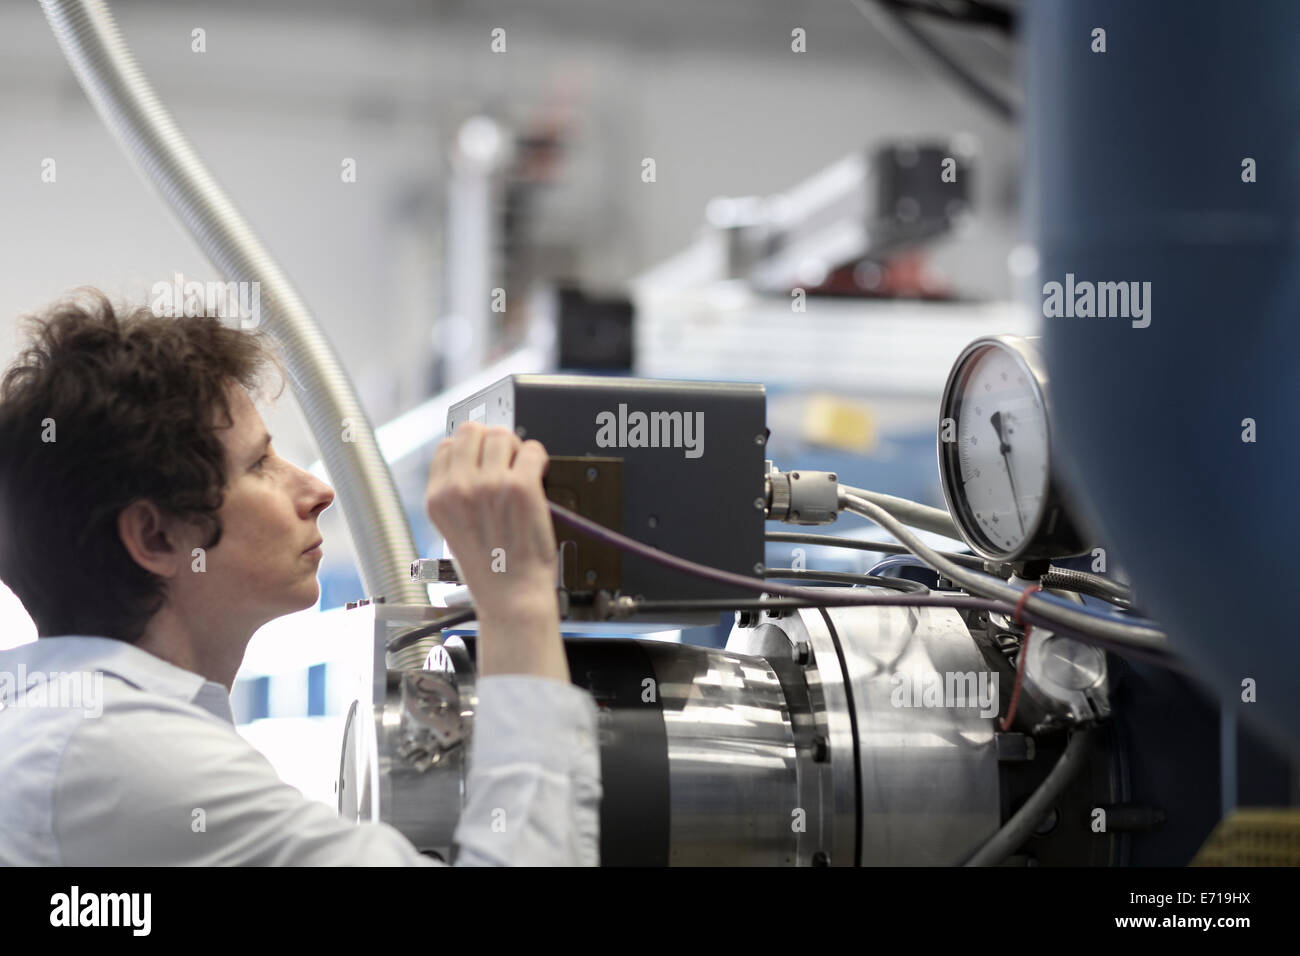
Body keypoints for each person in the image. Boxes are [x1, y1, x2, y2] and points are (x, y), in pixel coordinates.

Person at [0, 288, 600, 865]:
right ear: (156, 537)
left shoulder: (67, 730)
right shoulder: (120, 756)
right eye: (259, 463)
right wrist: (518, 604)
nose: (317, 492)